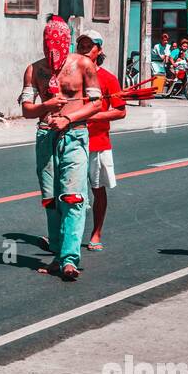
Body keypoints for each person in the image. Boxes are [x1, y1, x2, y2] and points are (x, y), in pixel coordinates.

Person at [19, 15, 103, 280]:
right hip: (45, 137)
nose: (52, 50)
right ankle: (57, 253)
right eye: (48, 44)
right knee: (50, 199)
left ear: (66, 42)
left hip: (75, 136)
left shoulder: (83, 65)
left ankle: (69, 259)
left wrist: (68, 117)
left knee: (73, 197)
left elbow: (96, 104)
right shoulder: (34, 70)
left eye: (58, 44)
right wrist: (45, 107)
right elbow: (26, 110)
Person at [75, 30, 126, 252]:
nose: (84, 50)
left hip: (97, 141)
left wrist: (91, 115)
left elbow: (120, 111)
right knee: (67, 191)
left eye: (89, 46)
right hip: (72, 140)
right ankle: (62, 234)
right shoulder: (70, 75)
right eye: (81, 46)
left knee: (98, 189)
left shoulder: (108, 79)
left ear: (99, 50)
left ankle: (96, 232)